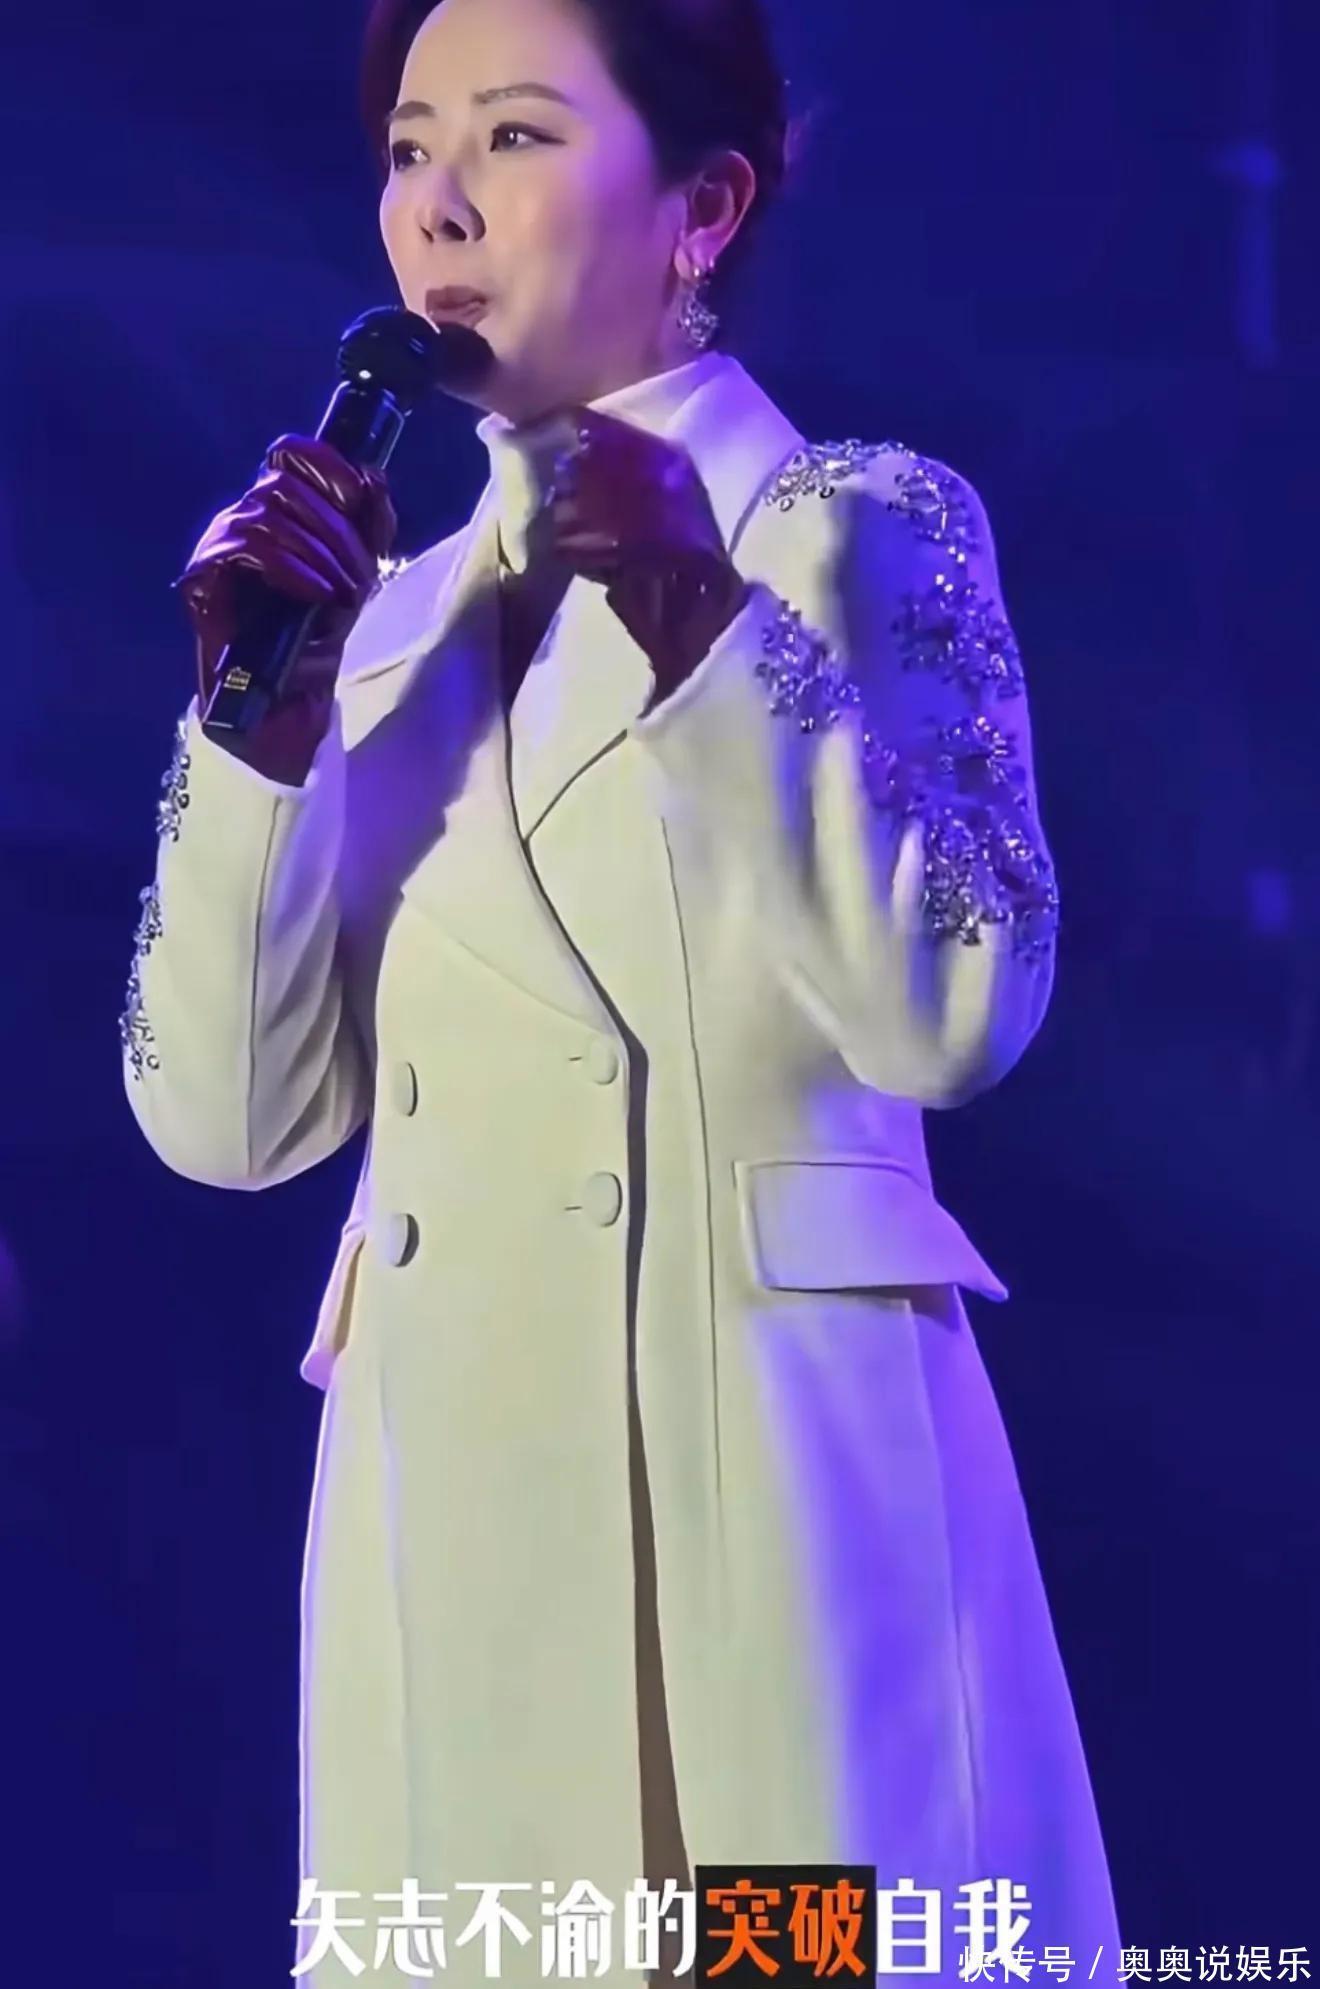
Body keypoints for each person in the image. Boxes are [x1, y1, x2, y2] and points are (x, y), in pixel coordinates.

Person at [120, 0, 1122, 1980]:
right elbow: (223, 1121)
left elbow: (961, 998)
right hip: (453, 1537)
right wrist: (252, 735)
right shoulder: (382, 629)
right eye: (409, 148)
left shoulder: (848, 523)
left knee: (788, 1945)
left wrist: (698, 623)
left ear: (703, 207)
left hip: (767, 1513)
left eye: (511, 136)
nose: (438, 206)